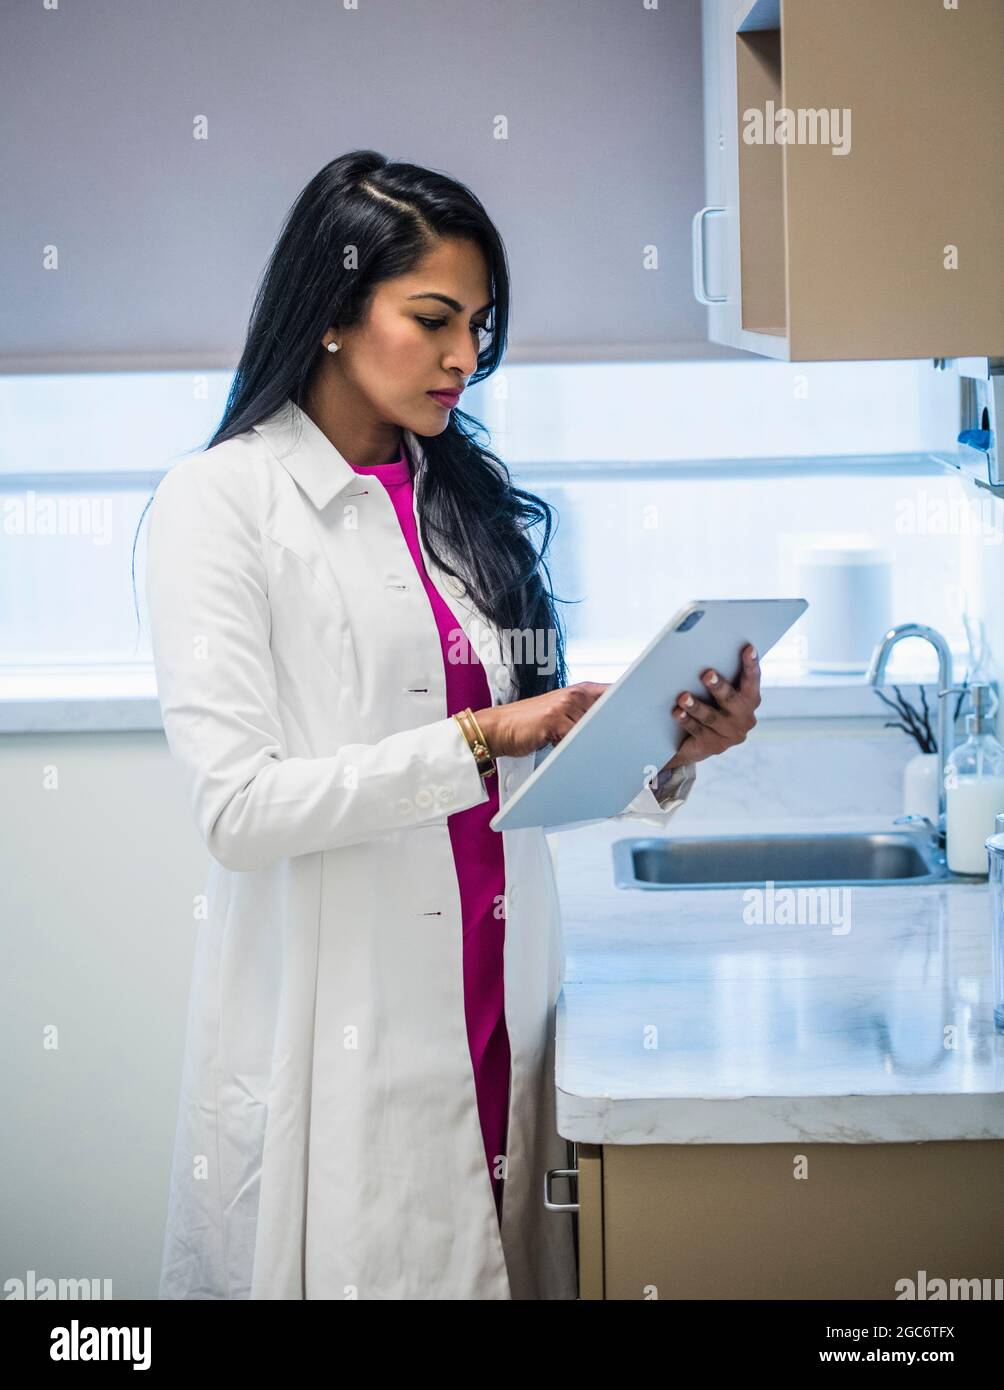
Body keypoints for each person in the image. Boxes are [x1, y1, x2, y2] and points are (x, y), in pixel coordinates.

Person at [138, 149, 760, 1300]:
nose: (465, 356)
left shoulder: (457, 502)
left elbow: (523, 782)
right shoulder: (217, 504)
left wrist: (672, 752)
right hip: (348, 1029)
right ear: (330, 311)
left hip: (495, 997)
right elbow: (238, 808)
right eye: (431, 318)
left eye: (477, 323)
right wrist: (484, 736)